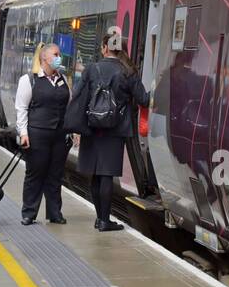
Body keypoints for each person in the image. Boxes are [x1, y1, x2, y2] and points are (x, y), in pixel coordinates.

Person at [65, 31, 149, 231]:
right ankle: (105, 220)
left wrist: (77, 128)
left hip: (92, 128)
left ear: (104, 48)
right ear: (120, 49)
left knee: (95, 174)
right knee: (106, 175)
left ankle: (99, 218)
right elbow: (144, 99)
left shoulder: (92, 69)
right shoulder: (128, 71)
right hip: (114, 130)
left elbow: (79, 98)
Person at [15, 42, 71, 225]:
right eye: (55, 54)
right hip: (37, 133)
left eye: (59, 54)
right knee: (35, 173)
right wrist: (23, 133)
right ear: (44, 58)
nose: (59, 57)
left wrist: (73, 130)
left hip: (59, 135)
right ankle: (29, 212)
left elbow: (69, 106)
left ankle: (54, 213)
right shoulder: (29, 80)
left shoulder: (63, 79)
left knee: (55, 174)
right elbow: (21, 108)